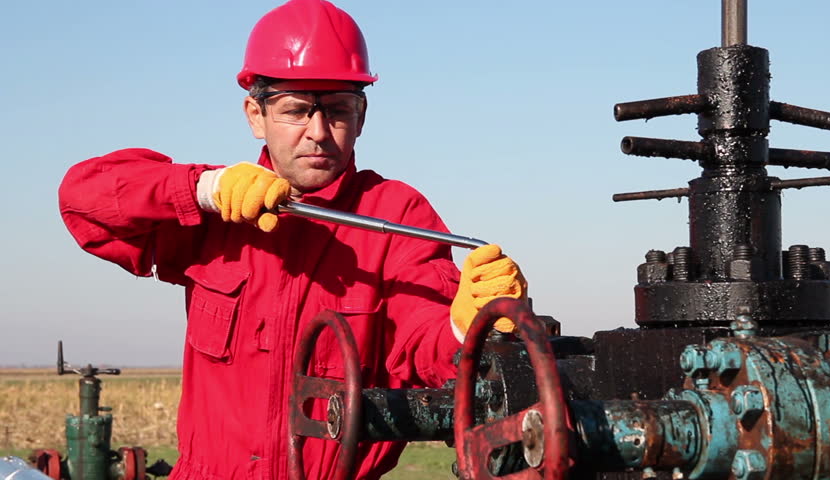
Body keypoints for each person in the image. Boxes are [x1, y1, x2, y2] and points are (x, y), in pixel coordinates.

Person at [58, 0, 526, 478]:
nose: (318, 133)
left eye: (338, 111)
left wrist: (464, 326)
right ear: (255, 115)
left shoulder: (396, 215)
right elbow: (83, 202)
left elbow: (424, 346)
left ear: (361, 117)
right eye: (296, 110)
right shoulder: (218, 214)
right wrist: (202, 188)